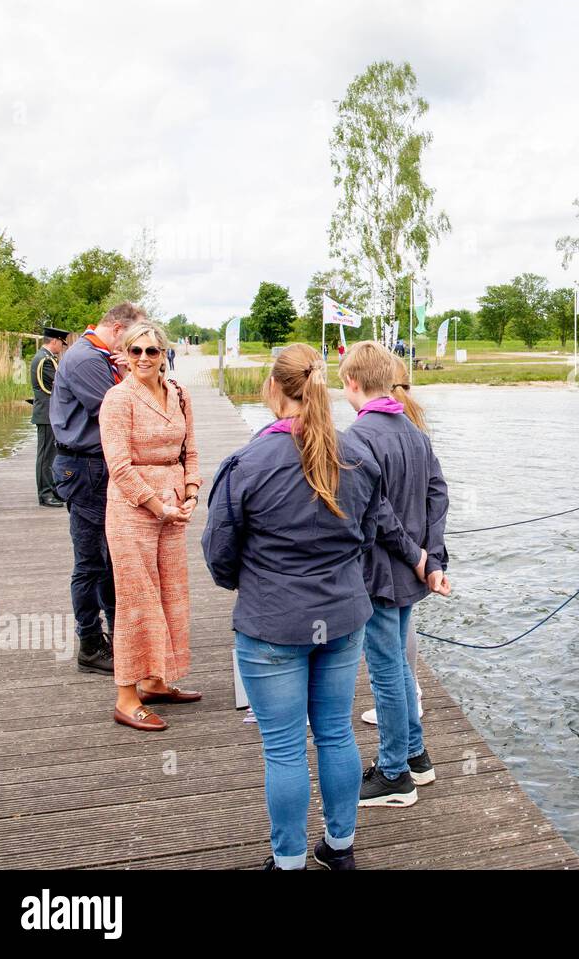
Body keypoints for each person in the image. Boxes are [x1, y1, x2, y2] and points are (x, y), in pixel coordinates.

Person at [201, 343, 384, 870]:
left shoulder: (248, 462)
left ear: (275, 388)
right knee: (336, 731)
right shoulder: (358, 456)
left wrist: (253, 585)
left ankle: (289, 862)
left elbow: (219, 551)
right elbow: (366, 534)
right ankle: (340, 848)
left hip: (272, 622)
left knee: (283, 748)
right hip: (343, 617)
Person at [339, 341, 450, 809]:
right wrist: (433, 558)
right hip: (408, 575)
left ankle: (393, 774)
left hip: (381, 575)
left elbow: (376, 513)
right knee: (402, 667)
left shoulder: (357, 437)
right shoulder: (414, 431)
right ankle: (416, 756)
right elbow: (437, 496)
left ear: (352, 383)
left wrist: (418, 558)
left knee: (386, 672)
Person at [99, 321, 202, 732]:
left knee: (170, 594)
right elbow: (119, 467)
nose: (144, 358)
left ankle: (155, 678)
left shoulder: (179, 393)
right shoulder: (117, 399)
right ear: (125, 354)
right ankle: (126, 696)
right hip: (133, 510)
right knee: (136, 599)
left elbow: (189, 449)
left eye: (152, 351)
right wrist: (157, 505)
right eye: (136, 351)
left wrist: (192, 490)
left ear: (164, 354)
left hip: (174, 505)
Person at [51, 301, 147, 673]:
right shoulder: (88, 359)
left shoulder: (97, 355)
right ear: (120, 330)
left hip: (92, 466)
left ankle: (115, 636)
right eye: (134, 340)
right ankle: (91, 643)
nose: (137, 349)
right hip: (84, 466)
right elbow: (119, 412)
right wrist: (132, 378)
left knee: (108, 556)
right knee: (92, 561)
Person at [30, 327, 69, 508]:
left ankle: (52, 490)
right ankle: (45, 494)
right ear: (54, 341)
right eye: (61, 343)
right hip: (46, 413)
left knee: (51, 455)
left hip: (48, 412)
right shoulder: (45, 360)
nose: (62, 347)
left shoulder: (46, 358)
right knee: (46, 456)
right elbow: (59, 384)